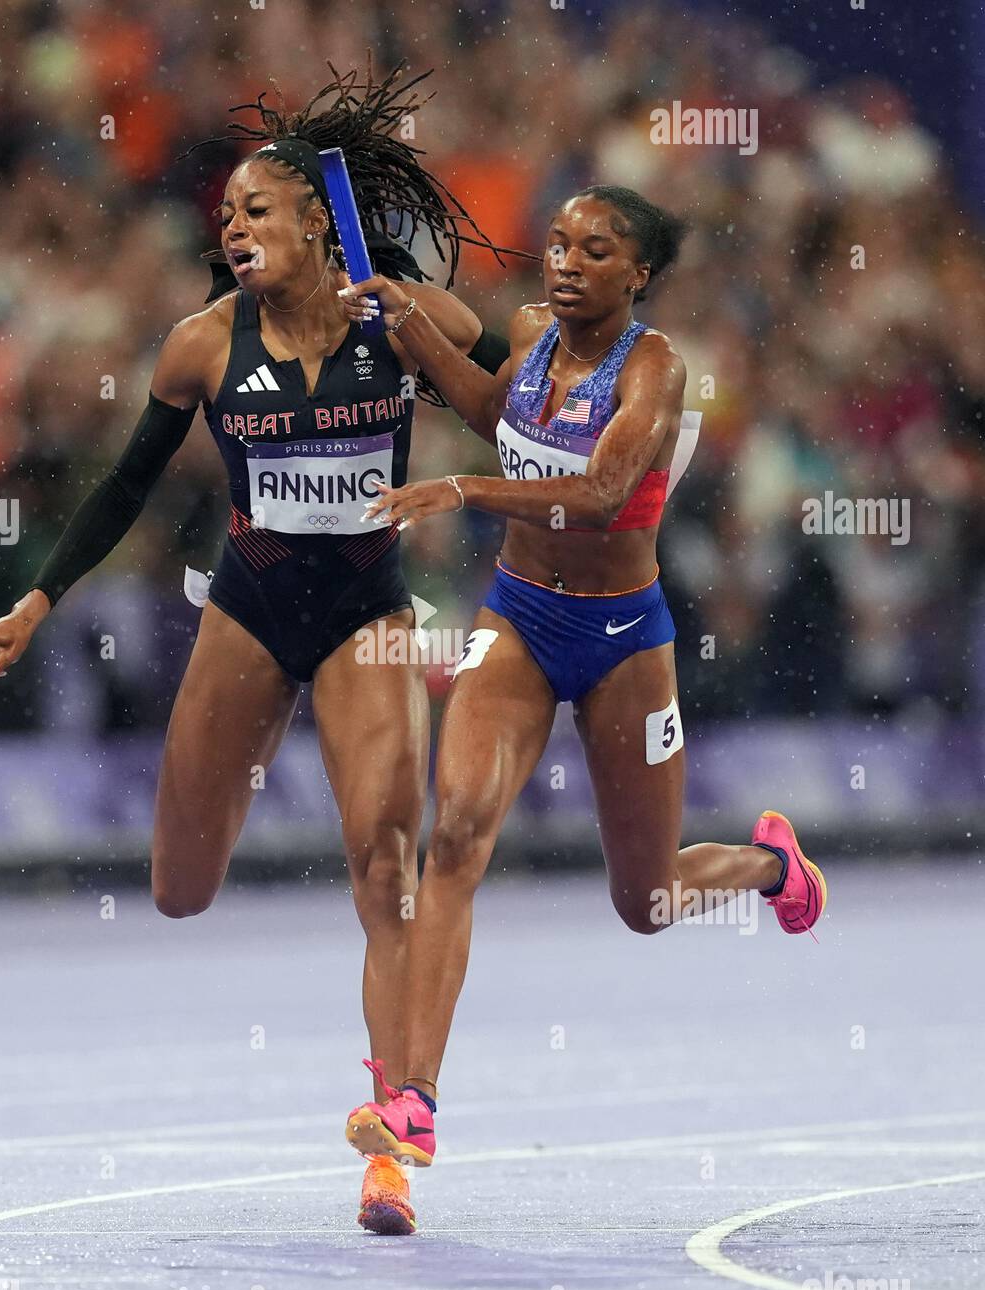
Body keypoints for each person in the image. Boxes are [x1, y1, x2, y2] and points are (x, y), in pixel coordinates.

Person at [0, 66, 527, 1236]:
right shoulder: (202, 346)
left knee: (387, 871)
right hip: (249, 612)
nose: (231, 227)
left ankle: (392, 1143)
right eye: (223, 219)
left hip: (370, 616)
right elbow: (120, 488)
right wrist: (35, 603)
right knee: (178, 890)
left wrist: (451, 356)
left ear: (319, 220)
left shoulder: (401, 313)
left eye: (254, 210)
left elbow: (517, 397)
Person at [333, 185, 828, 1177]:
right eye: (556, 242)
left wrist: (460, 490)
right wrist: (413, 337)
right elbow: (487, 410)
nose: (562, 262)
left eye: (592, 250)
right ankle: (415, 1100)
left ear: (635, 273)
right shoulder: (527, 332)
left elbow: (600, 495)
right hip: (516, 616)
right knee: (457, 832)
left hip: (622, 642)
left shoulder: (653, 368)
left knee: (642, 903)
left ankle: (772, 868)